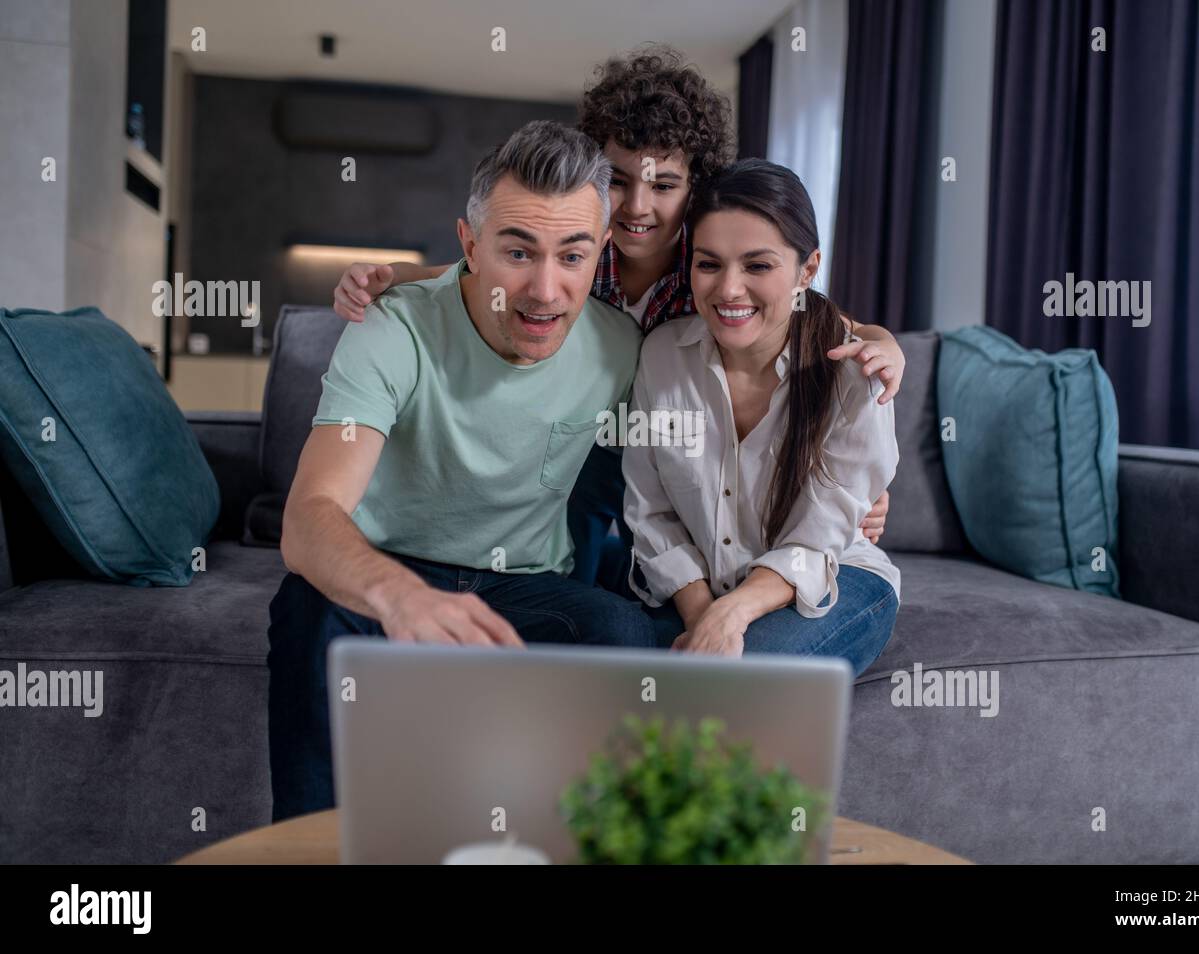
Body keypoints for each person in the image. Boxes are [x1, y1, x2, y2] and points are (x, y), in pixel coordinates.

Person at [327, 47, 901, 590]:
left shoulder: (707, 269)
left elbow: (823, 321)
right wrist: (394, 275)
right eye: (619, 181)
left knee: (648, 559)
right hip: (583, 435)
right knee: (572, 526)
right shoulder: (576, 256)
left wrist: (883, 343)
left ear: (695, 191)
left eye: (664, 185)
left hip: (667, 446)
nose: (636, 206)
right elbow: (469, 272)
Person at [268, 121, 660, 821]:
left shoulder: (621, 349)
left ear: (601, 252)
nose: (544, 290)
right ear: (470, 244)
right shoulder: (392, 329)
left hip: (527, 584)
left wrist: (844, 495)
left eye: (571, 256)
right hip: (391, 567)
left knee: (625, 634)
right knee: (306, 611)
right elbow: (309, 517)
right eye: (517, 251)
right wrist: (400, 598)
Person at [624, 159, 899, 675]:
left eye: (757, 266)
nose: (728, 289)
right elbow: (651, 513)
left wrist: (734, 612)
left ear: (807, 269)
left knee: (740, 685)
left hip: (833, 579)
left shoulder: (854, 373)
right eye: (709, 264)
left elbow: (820, 539)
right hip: (700, 590)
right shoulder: (662, 355)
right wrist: (706, 615)